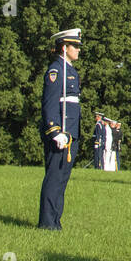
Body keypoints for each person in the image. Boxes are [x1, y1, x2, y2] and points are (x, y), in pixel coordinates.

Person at [38, 28, 83, 230]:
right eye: (75, 46)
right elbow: (49, 103)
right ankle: (47, 223)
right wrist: (55, 130)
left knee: (62, 179)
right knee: (54, 178)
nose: (78, 50)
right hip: (61, 133)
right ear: (64, 47)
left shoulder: (70, 70)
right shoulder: (56, 70)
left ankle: (55, 221)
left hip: (70, 133)